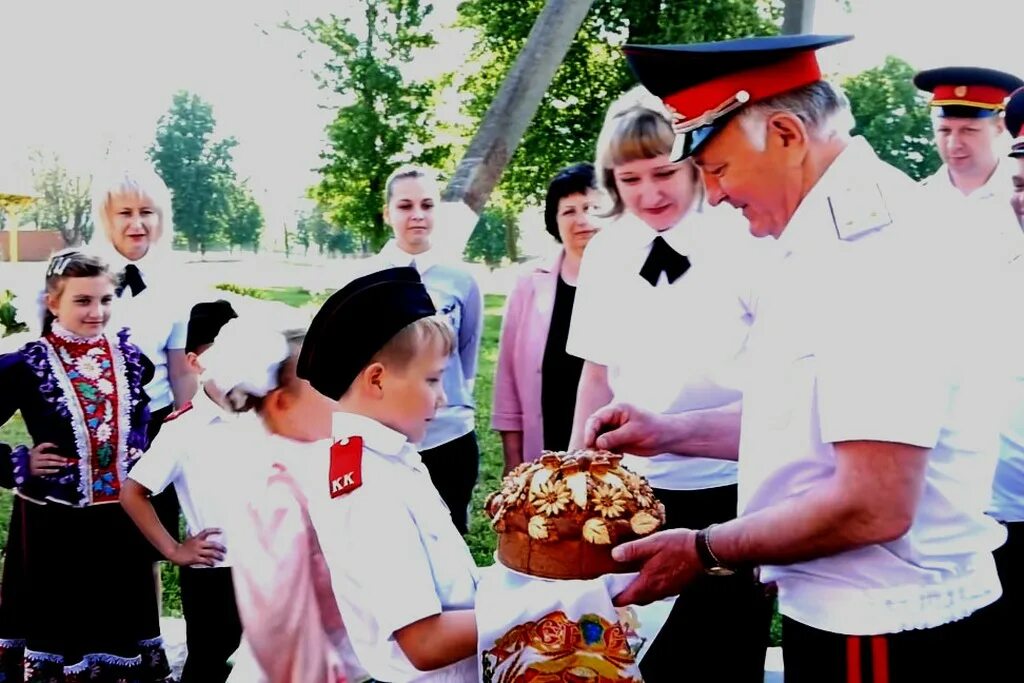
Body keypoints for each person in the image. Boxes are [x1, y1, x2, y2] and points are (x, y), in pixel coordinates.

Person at [585, 34, 1006, 681]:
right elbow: (813, 423)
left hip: (884, 625)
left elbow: (873, 501)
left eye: (720, 169)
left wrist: (703, 547)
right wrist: (669, 432)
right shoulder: (824, 239)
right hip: (857, 613)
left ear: (784, 134)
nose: (716, 195)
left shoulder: (872, 253)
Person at [565, 86, 774, 680]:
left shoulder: (746, 239)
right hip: (632, 492)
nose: (649, 194)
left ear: (694, 165)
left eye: (663, 173)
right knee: (631, 651)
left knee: (724, 649)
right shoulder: (605, 252)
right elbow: (597, 371)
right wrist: (579, 468)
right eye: (629, 180)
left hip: (731, 485)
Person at [292, 266, 479, 682]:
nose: (443, 396)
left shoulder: (392, 460)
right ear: (377, 379)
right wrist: (542, 606)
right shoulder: (368, 487)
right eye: (432, 379)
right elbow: (425, 642)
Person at [0, 250, 171, 681]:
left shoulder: (130, 359)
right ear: (53, 302)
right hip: (55, 525)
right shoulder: (26, 365)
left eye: (106, 300)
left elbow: (141, 425)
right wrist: (18, 462)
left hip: (120, 518)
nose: (97, 312)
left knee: (118, 625)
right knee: (64, 622)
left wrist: (139, 460)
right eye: (82, 301)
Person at [120, 300, 244, 683]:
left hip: (270, 565)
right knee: (210, 661)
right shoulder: (183, 429)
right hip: (214, 573)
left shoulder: (266, 415)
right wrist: (174, 549)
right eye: (224, 355)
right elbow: (133, 492)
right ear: (195, 361)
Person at [371, 166, 483, 535]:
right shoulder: (365, 279)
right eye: (405, 205)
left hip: (450, 435)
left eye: (426, 204)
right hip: (387, 436)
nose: (417, 214)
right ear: (388, 213)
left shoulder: (461, 279)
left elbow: (465, 354)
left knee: (448, 542)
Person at [492, 162, 602, 470]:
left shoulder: (633, 278)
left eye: (592, 207)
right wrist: (513, 458)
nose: (583, 219)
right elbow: (507, 379)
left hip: (614, 452)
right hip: (546, 451)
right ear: (554, 220)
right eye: (569, 211)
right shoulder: (528, 283)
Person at [915, 66, 1024, 259]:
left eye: (969, 130)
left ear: (999, 127)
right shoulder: (913, 201)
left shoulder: (1018, 199)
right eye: (944, 131)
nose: (954, 144)